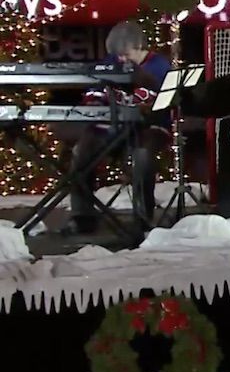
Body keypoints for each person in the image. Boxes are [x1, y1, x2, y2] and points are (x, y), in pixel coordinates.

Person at [65, 21, 171, 235]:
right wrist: (95, 104)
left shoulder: (160, 65)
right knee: (82, 150)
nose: (121, 59)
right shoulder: (111, 62)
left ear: (140, 46)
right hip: (111, 127)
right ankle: (82, 217)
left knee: (142, 154)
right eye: (118, 55)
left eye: (126, 54)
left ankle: (143, 217)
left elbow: (166, 102)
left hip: (149, 127)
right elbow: (94, 91)